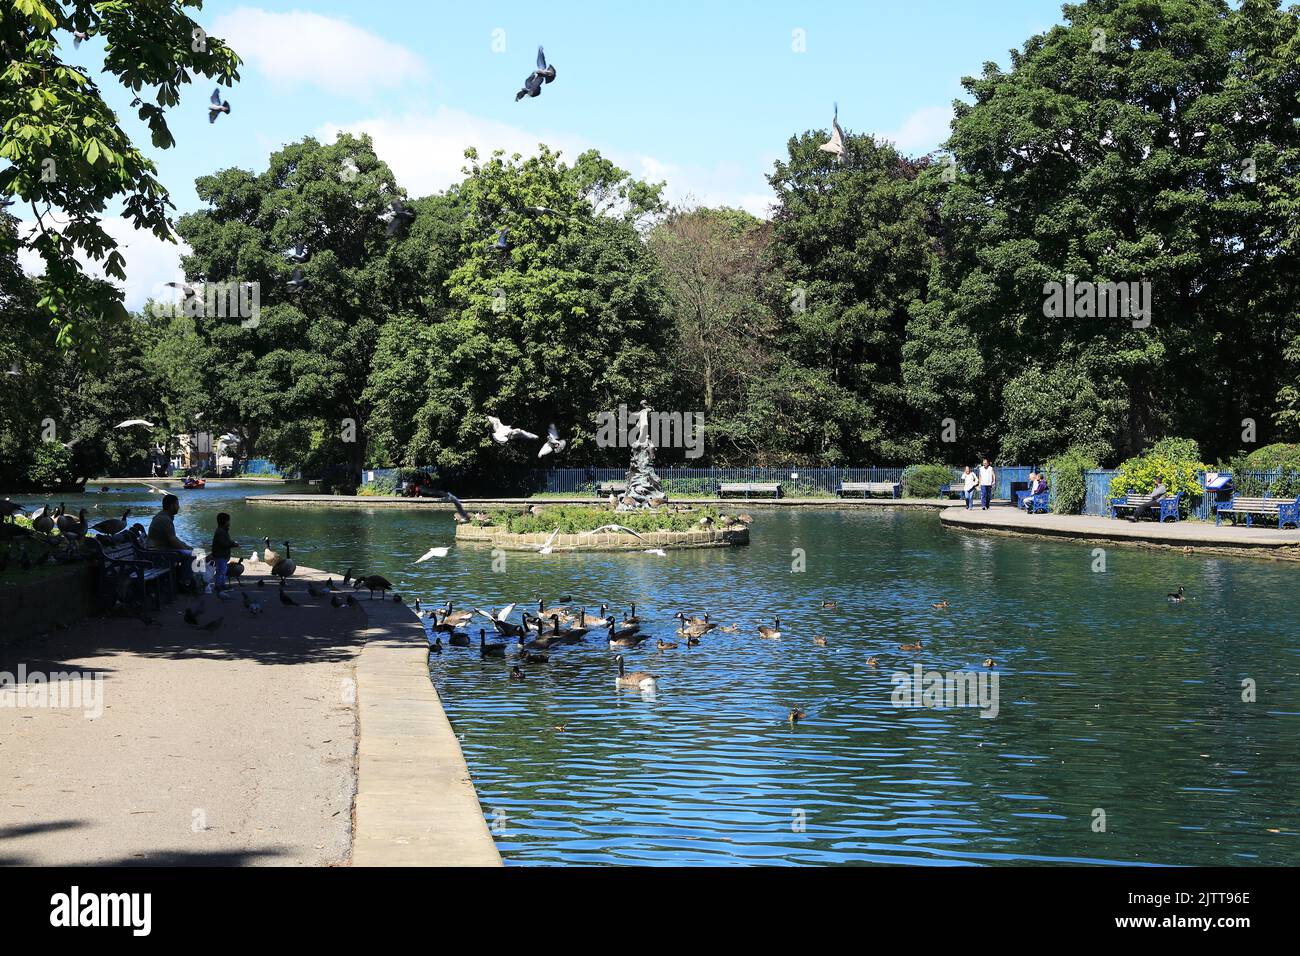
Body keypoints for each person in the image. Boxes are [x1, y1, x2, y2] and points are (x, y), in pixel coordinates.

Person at [211, 512, 237, 592]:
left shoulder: (223, 531)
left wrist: (231, 543)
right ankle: (218, 586)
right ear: (225, 522)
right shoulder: (220, 532)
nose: (229, 523)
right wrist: (233, 544)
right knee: (221, 571)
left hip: (223, 556)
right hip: (220, 556)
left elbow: (226, 541)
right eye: (228, 521)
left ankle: (222, 585)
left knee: (223, 570)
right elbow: (224, 543)